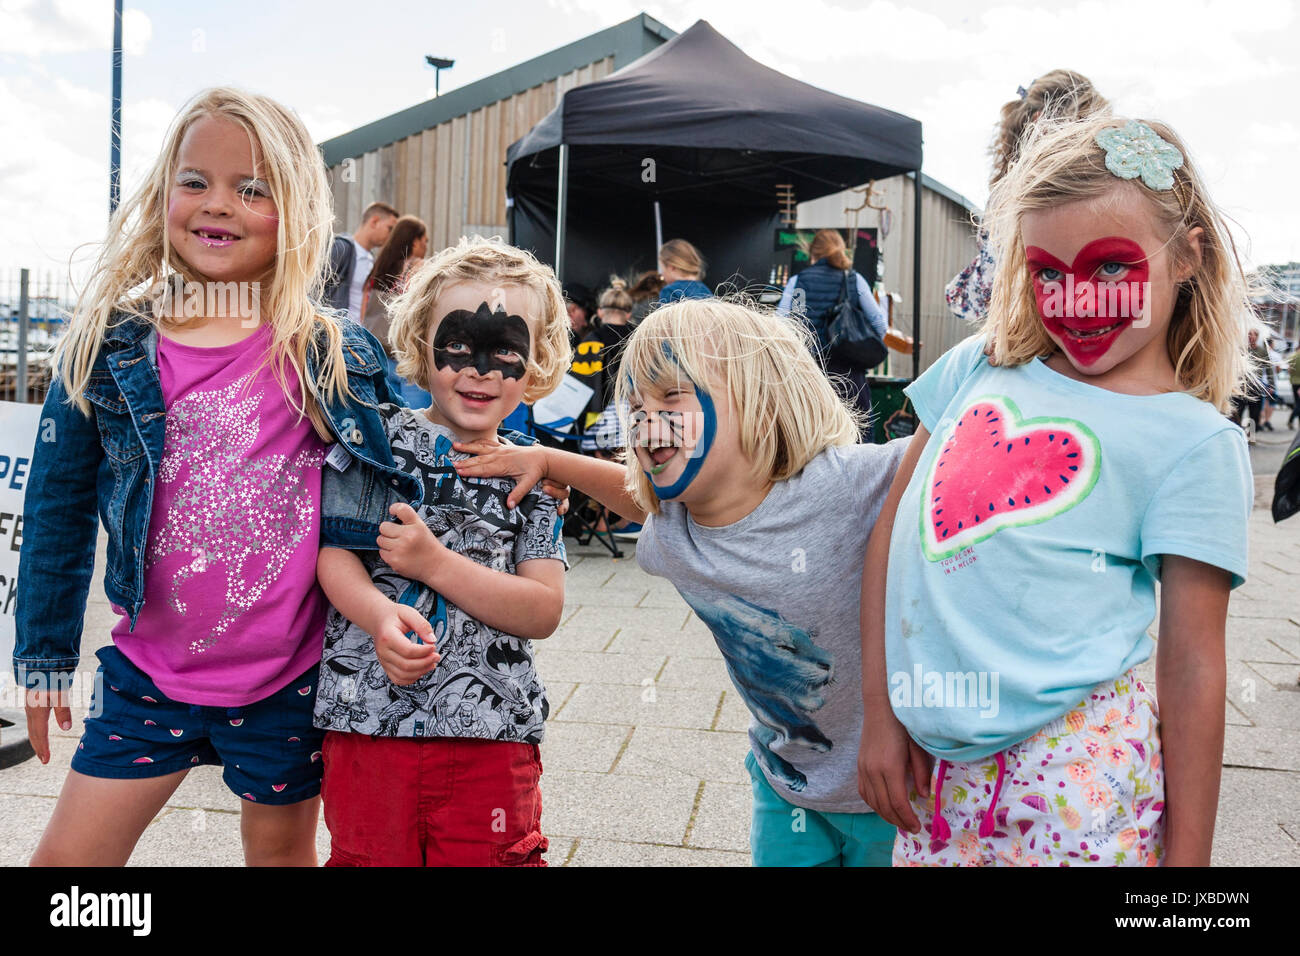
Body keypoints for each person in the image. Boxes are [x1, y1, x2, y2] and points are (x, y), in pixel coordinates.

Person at [15, 87, 403, 866]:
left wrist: (521, 464)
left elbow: (407, 473)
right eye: (195, 181)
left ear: (292, 209)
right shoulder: (105, 346)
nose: (218, 204)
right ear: (164, 197)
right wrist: (45, 657)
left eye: (252, 188)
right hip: (145, 681)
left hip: (290, 682)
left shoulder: (331, 353)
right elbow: (55, 512)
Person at [859, 116, 1254, 867]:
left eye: (1110, 269)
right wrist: (879, 714)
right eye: (1048, 272)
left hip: (1081, 780)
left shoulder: (1194, 443)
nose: (1078, 299)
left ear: (1189, 258)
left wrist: (1190, 867)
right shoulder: (979, 365)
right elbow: (894, 535)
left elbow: (1194, 661)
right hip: (936, 776)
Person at [454, 299, 910, 866]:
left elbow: (949, 451)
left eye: (673, 395)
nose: (648, 419)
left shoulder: (850, 482)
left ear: (761, 401)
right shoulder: (677, 531)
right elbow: (631, 495)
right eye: (636, 404)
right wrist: (546, 460)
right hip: (787, 783)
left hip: (902, 788)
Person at [313, 238, 572, 867]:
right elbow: (332, 554)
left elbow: (541, 609)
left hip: (491, 738)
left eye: (506, 350)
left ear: (536, 365)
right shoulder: (372, 442)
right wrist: (376, 617)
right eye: (458, 345)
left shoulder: (530, 475)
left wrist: (433, 564)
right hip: (367, 721)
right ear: (420, 345)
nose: (481, 369)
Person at [946, 71, 1110, 325]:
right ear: (1041, 122)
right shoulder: (1021, 195)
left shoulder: (1013, 191)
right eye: (1083, 126)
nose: (1093, 142)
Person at [778, 228, 888, 438]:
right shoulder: (853, 280)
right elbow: (880, 324)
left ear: (813, 254)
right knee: (856, 441)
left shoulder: (798, 281)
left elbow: (783, 324)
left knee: (812, 440)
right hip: (850, 375)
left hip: (809, 376)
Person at [360, 214, 431, 406]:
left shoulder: (379, 267)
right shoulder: (418, 267)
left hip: (377, 355)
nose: (426, 247)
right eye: (425, 241)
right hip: (406, 358)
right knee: (415, 423)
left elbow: (364, 311)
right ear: (415, 241)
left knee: (388, 421)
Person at [323, 200, 398, 321]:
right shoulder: (342, 247)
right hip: (337, 331)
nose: (391, 235)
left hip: (359, 335)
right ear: (374, 222)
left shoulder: (372, 260)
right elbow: (317, 287)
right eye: (389, 228)